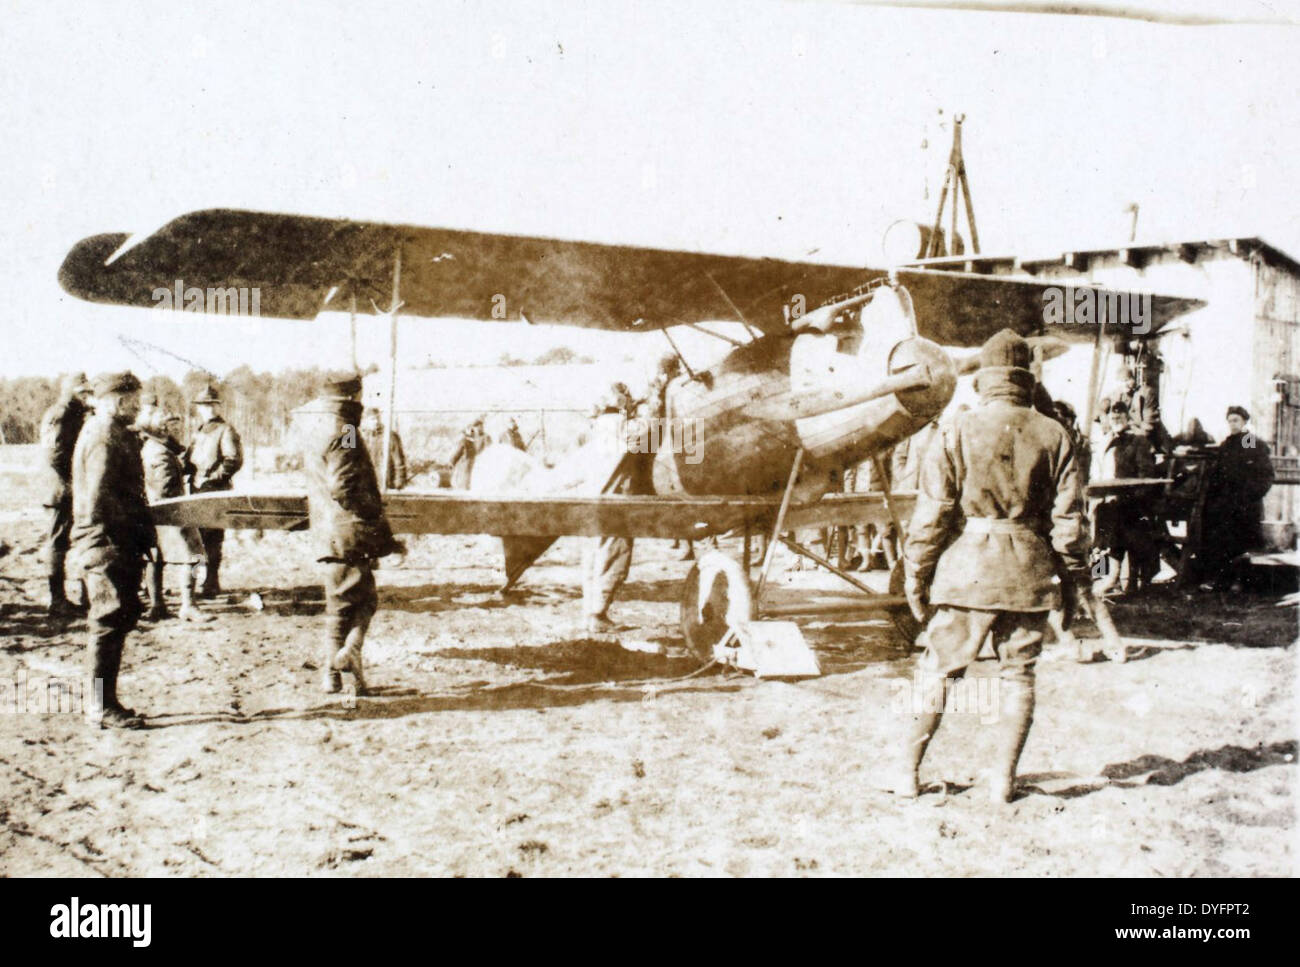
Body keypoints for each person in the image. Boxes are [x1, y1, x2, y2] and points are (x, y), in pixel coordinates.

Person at [890, 330, 1088, 804]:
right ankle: (1002, 782)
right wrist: (1072, 582)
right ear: (1025, 378)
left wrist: (916, 574)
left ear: (983, 378)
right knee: (1019, 677)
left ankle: (906, 775)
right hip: (1028, 575)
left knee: (938, 672)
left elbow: (932, 515)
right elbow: (1070, 524)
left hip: (967, 573)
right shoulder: (1055, 433)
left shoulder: (955, 430)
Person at [301, 375, 404, 695]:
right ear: (352, 397)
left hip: (328, 532)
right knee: (362, 602)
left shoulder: (316, 427)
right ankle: (349, 654)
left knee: (342, 605)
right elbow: (343, 485)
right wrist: (372, 515)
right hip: (348, 530)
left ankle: (333, 675)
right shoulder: (345, 430)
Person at [71, 372, 156, 728]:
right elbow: (100, 500)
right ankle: (100, 706)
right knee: (107, 622)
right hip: (107, 542)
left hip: (114, 541)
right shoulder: (104, 435)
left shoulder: (111, 430)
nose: (138, 408)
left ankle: (105, 701)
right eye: (135, 402)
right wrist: (132, 531)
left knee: (115, 620)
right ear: (120, 401)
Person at [581, 357, 678, 632]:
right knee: (615, 555)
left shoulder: (596, 426)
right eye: (625, 395)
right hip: (614, 501)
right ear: (619, 401)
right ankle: (598, 615)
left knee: (593, 557)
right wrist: (659, 388)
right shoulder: (619, 425)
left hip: (593, 500)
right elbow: (649, 426)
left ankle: (590, 613)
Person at [138, 410, 210, 622]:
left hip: (156, 514)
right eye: (172, 427)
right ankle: (189, 605)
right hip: (171, 512)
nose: (177, 430)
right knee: (195, 556)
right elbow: (164, 488)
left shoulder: (154, 448)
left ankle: (157, 605)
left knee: (154, 558)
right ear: (161, 429)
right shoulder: (159, 454)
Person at [1196, 405, 1274, 590]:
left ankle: (1239, 581)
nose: (1232, 424)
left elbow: (1261, 472)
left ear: (1245, 421)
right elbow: (1219, 473)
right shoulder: (1227, 444)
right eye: (1230, 421)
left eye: (1236, 420)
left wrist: (1249, 495)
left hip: (1244, 502)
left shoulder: (1248, 440)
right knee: (1218, 538)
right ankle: (1219, 580)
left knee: (1240, 541)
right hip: (1226, 501)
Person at [39, 372, 92, 618]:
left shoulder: (73, 413)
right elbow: (55, 454)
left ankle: (80, 597)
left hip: (67, 487)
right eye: (82, 392)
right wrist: (74, 481)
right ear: (70, 391)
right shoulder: (61, 414)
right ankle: (57, 600)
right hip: (63, 490)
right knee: (58, 542)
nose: (86, 396)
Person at [1094, 401, 1160, 594]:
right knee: (1097, 530)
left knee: (1118, 526)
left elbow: (1145, 475)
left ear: (1127, 418)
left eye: (1120, 416)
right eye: (1113, 417)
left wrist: (1132, 496)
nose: (1116, 419)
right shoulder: (1105, 442)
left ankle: (1117, 577)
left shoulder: (1138, 441)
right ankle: (1100, 575)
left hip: (1132, 502)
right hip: (1105, 499)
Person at [186, 384, 243, 596]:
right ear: (198, 408)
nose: (207, 409)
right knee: (195, 539)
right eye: (203, 405)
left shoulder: (226, 430)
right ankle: (192, 583)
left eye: (211, 405)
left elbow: (233, 460)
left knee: (212, 539)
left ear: (218, 406)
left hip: (214, 491)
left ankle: (211, 582)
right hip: (196, 490)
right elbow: (191, 458)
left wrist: (214, 479)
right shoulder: (199, 431)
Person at [359, 407, 408, 490]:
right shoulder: (362, 438)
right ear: (365, 421)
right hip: (367, 484)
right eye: (372, 419)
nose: (376, 421)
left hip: (386, 482)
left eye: (377, 418)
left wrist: (399, 481)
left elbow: (399, 461)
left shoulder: (390, 436)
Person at [447, 415, 487, 489]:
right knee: (467, 479)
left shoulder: (473, 440)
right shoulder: (467, 441)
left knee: (467, 479)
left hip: (471, 463)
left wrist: (452, 462)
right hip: (470, 463)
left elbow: (458, 453)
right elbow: (458, 453)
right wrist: (452, 462)